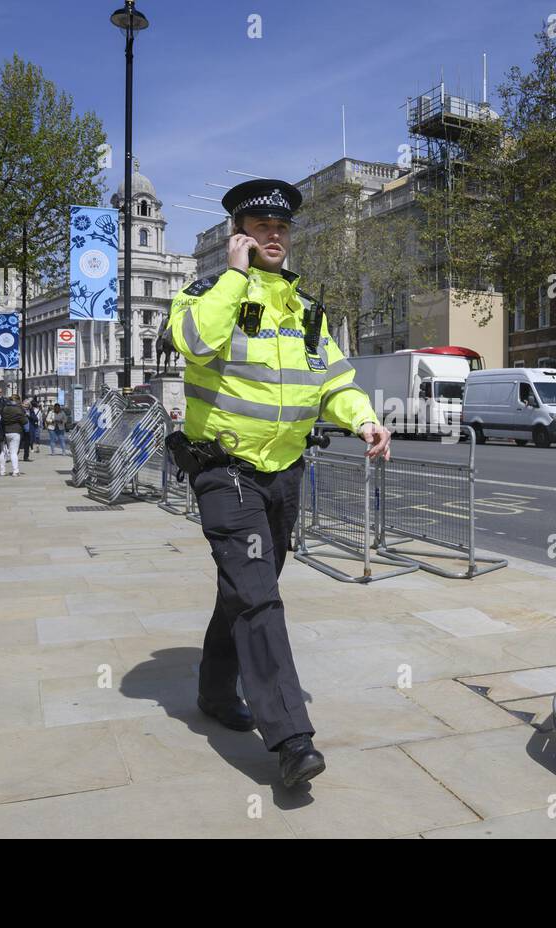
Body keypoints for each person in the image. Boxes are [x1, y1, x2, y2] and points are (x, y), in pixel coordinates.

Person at [164, 177, 391, 789]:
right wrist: (234, 277)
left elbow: (336, 382)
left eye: (282, 228)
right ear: (240, 233)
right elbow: (191, 342)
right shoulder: (206, 292)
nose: (274, 236)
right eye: (262, 227)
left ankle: (214, 690)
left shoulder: (306, 309)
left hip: (285, 475)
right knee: (260, 597)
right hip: (224, 472)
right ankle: (291, 739)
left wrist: (365, 420)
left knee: (244, 592)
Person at [0, 394, 28, 476]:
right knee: (13, 452)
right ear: (17, 400)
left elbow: (2, 419)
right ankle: (15, 471)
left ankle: (2, 470)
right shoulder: (18, 409)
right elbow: (25, 421)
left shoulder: (4, 409)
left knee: (3, 452)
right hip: (15, 431)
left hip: (5, 431)